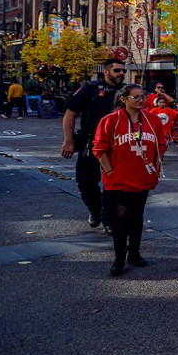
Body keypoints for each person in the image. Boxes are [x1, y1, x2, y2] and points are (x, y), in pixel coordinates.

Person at [92, 84, 167, 276]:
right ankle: (119, 257)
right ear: (123, 99)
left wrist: (156, 169)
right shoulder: (110, 120)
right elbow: (99, 149)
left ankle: (134, 252)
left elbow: (160, 146)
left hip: (142, 178)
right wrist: (110, 172)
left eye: (143, 96)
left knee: (137, 216)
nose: (140, 100)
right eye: (135, 97)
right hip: (118, 180)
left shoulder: (152, 120)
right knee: (120, 218)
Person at [62, 59, 127, 230]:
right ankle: (95, 209)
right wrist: (68, 141)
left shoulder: (127, 91)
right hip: (90, 141)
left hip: (117, 144)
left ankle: (109, 220)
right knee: (85, 181)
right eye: (117, 70)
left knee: (113, 182)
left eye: (123, 71)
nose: (121, 74)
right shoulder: (90, 89)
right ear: (106, 72)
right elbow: (70, 113)